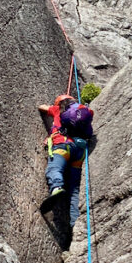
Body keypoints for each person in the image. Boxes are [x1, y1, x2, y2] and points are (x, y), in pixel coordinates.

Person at [38, 94, 94, 230]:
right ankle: (74, 223)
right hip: (79, 152)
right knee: (74, 189)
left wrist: (53, 107)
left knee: (54, 169)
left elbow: (42, 107)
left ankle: (56, 187)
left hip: (62, 146)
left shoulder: (57, 110)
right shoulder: (82, 114)